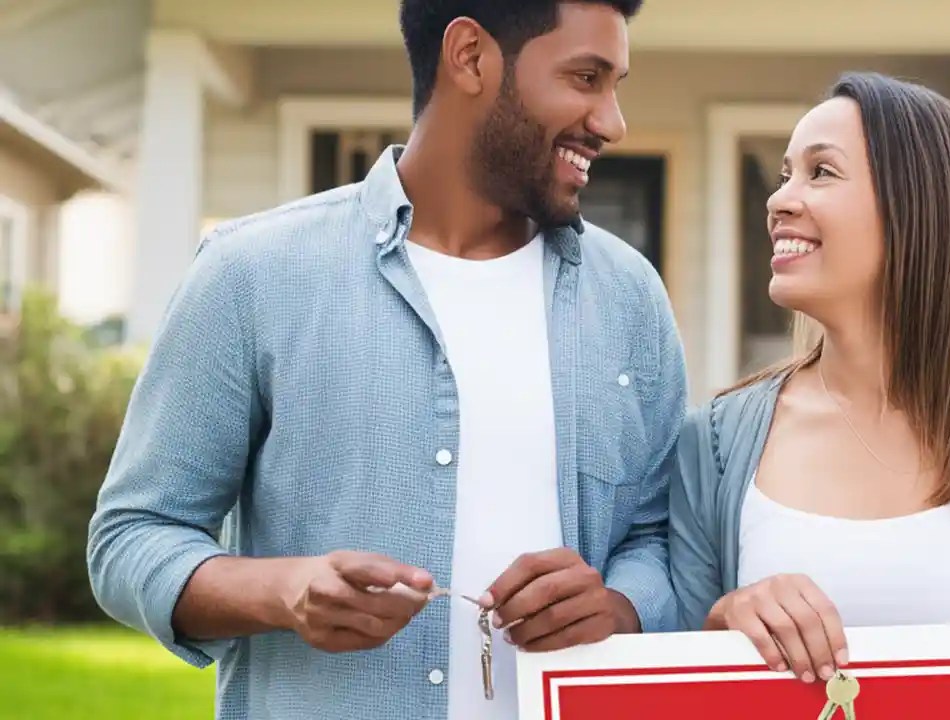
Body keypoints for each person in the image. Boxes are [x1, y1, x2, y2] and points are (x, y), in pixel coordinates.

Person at [87, 1, 686, 718]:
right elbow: (131, 538)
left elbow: (661, 535)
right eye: (586, 78)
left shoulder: (630, 298)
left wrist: (621, 606)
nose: (611, 121)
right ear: (469, 56)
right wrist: (284, 592)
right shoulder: (252, 275)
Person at [668, 72, 950, 687]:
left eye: (821, 172)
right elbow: (675, 684)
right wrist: (723, 624)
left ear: (919, 207)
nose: (780, 200)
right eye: (784, 175)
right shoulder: (714, 445)